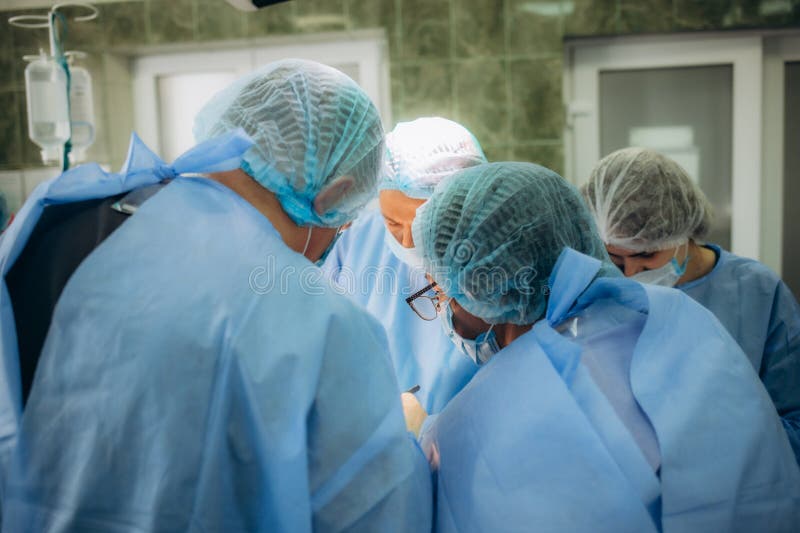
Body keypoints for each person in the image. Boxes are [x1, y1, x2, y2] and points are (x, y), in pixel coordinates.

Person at [1, 59, 431, 532]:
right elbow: (379, 513)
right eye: (344, 223)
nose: (334, 241)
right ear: (334, 193)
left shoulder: (63, 221)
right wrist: (404, 442)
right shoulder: (323, 321)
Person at [402, 161, 800, 532]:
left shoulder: (471, 424)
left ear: (481, 289)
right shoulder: (680, 318)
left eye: (443, 292)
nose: (443, 309)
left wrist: (422, 437)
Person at [581, 147, 800, 462]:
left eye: (645, 256)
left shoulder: (757, 292)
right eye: (615, 259)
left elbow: (793, 422)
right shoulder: (603, 293)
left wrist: (716, 453)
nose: (630, 274)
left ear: (681, 232)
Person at [323, 117, 486, 414]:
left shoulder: (499, 252)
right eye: (394, 223)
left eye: (427, 223)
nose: (409, 241)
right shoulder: (355, 241)